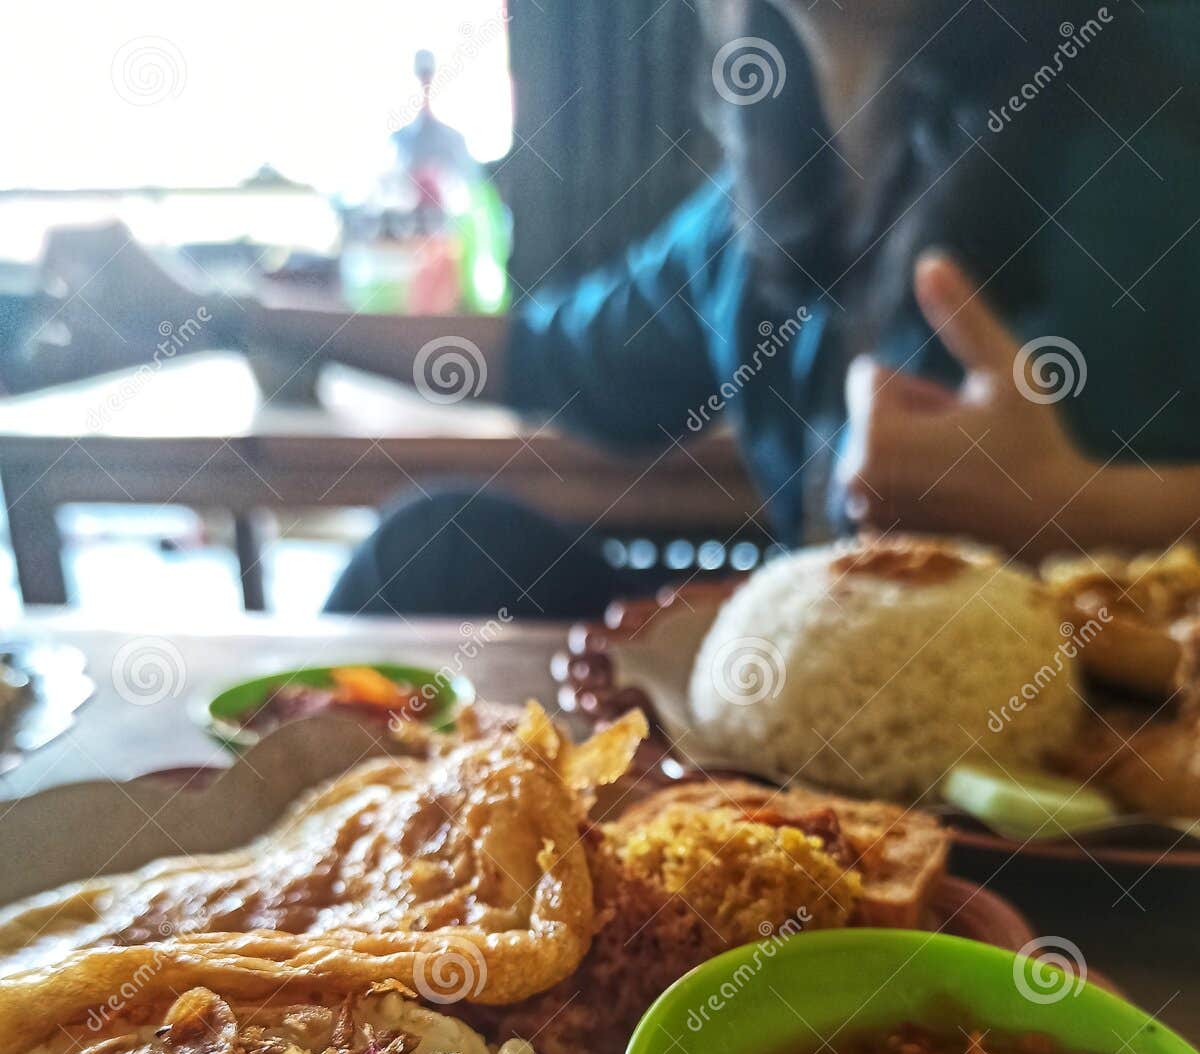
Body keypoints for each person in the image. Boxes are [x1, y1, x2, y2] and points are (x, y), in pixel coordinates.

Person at [32, 0, 1200, 616]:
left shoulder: (1157, 102)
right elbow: (541, 352)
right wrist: (228, 311)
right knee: (440, 548)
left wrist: (1091, 510)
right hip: (837, 696)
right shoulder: (755, 199)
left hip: (1082, 767)